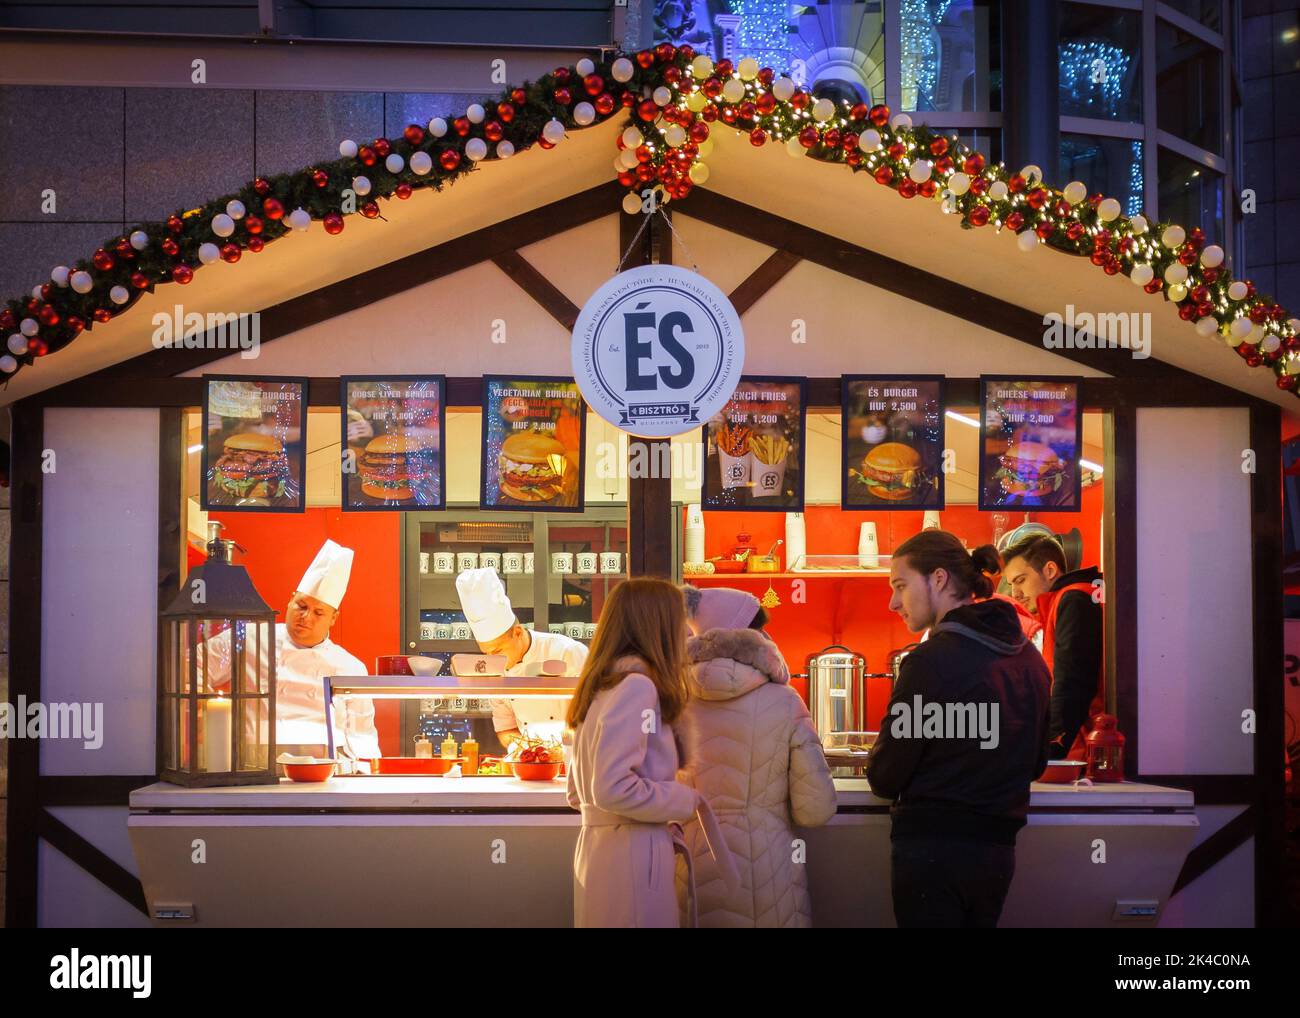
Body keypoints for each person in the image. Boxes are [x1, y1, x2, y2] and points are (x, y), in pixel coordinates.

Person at [867, 530, 1050, 928]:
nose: (893, 601)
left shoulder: (928, 663)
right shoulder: (1031, 663)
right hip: (998, 854)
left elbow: (885, 776)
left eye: (900, 585)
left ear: (938, 579)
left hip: (931, 854)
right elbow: (1035, 763)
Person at [565, 578, 735, 928]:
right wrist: (679, 800)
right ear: (657, 628)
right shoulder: (638, 687)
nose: (685, 636)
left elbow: (577, 792)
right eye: (678, 624)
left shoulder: (600, 687)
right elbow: (612, 787)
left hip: (602, 853)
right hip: (632, 859)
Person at [675, 585, 837, 927]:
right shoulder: (785, 701)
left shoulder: (671, 702)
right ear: (750, 637)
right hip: (769, 869)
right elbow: (816, 809)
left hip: (689, 862)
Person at [206, 539, 380, 770]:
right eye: (301, 606)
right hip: (253, 760)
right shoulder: (248, 637)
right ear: (290, 600)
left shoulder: (350, 666)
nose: (306, 617)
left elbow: (361, 732)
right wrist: (201, 708)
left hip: (324, 766)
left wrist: (367, 774)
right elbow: (190, 666)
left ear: (333, 618)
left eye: (319, 612)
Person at [454, 567, 587, 747]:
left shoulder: (568, 652)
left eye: (497, 651)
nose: (492, 660)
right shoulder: (496, 673)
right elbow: (505, 727)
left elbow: (592, 717)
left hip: (575, 757)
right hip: (531, 761)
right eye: (486, 653)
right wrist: (526, 752)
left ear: (517, 632)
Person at [1001, 535, 1103, 760]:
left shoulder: (1073, 599)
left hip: (1086, 747)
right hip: (1090, 741)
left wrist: (1053, 748)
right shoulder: (1076, 596)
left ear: (1049, 570)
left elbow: (1071, 681)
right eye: (1011, 585)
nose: (1015, 594)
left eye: (1020, 580)